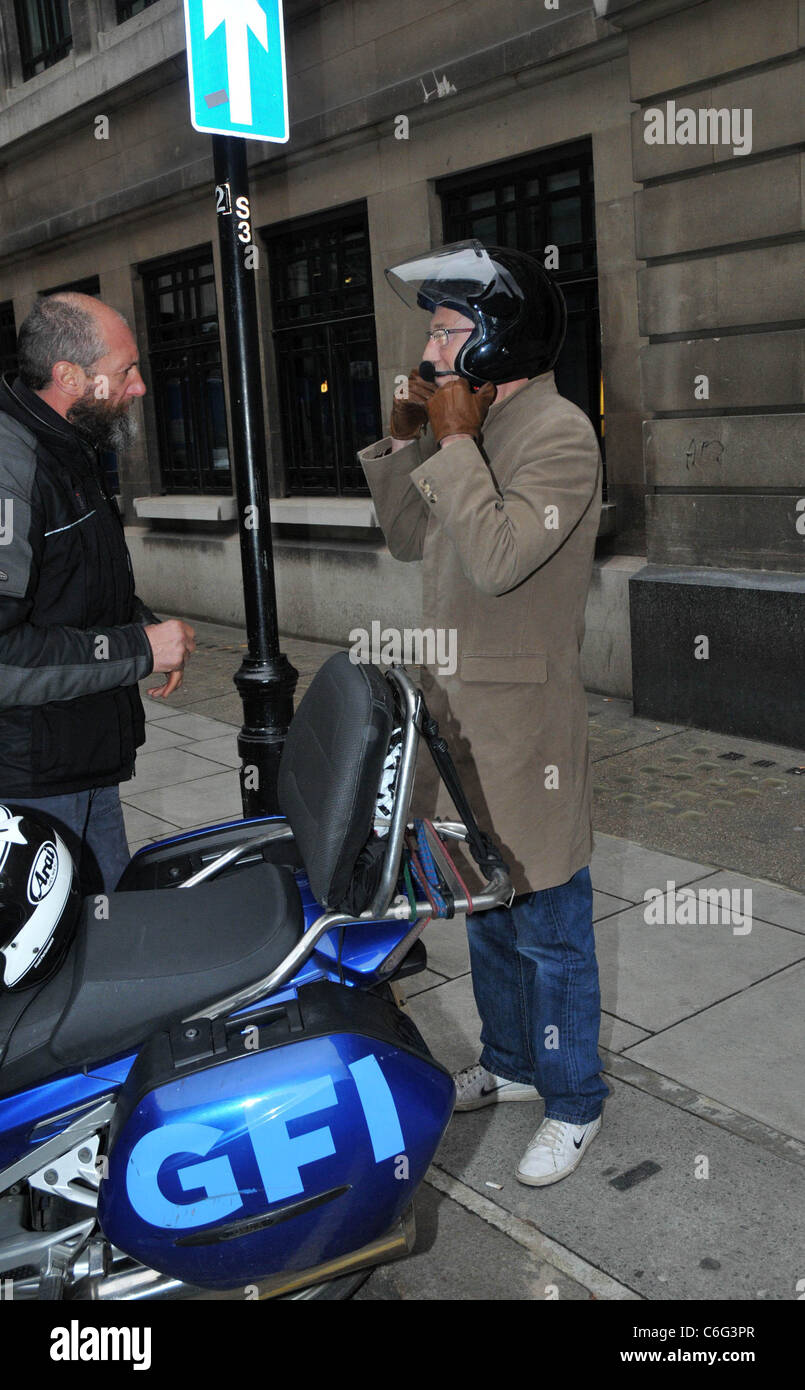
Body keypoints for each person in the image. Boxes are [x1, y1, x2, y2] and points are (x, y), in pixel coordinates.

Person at [359, 241, 608, 1185]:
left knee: (549, 927)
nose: (427, 352)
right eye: (430, 332)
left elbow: (501, 559)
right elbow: (406, 538)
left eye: (445, 331)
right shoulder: (467, 423)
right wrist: (407, 443)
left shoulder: (556, 432)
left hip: (524, 728)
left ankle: (574, 1098)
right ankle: (508, 1063)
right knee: (486, 915)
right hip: (455, 719)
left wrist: (456, 443)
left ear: (497, 336)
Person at [0, 293, 195, 893]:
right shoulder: (12, 468)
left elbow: (74, 582)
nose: (139, 387)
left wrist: (143, 627)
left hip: (78, 761)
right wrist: (139, 649)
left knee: (111, 922)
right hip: (29, 782)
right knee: (70, 940)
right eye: (126, 370)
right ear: (69, 377)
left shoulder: (65, 443)